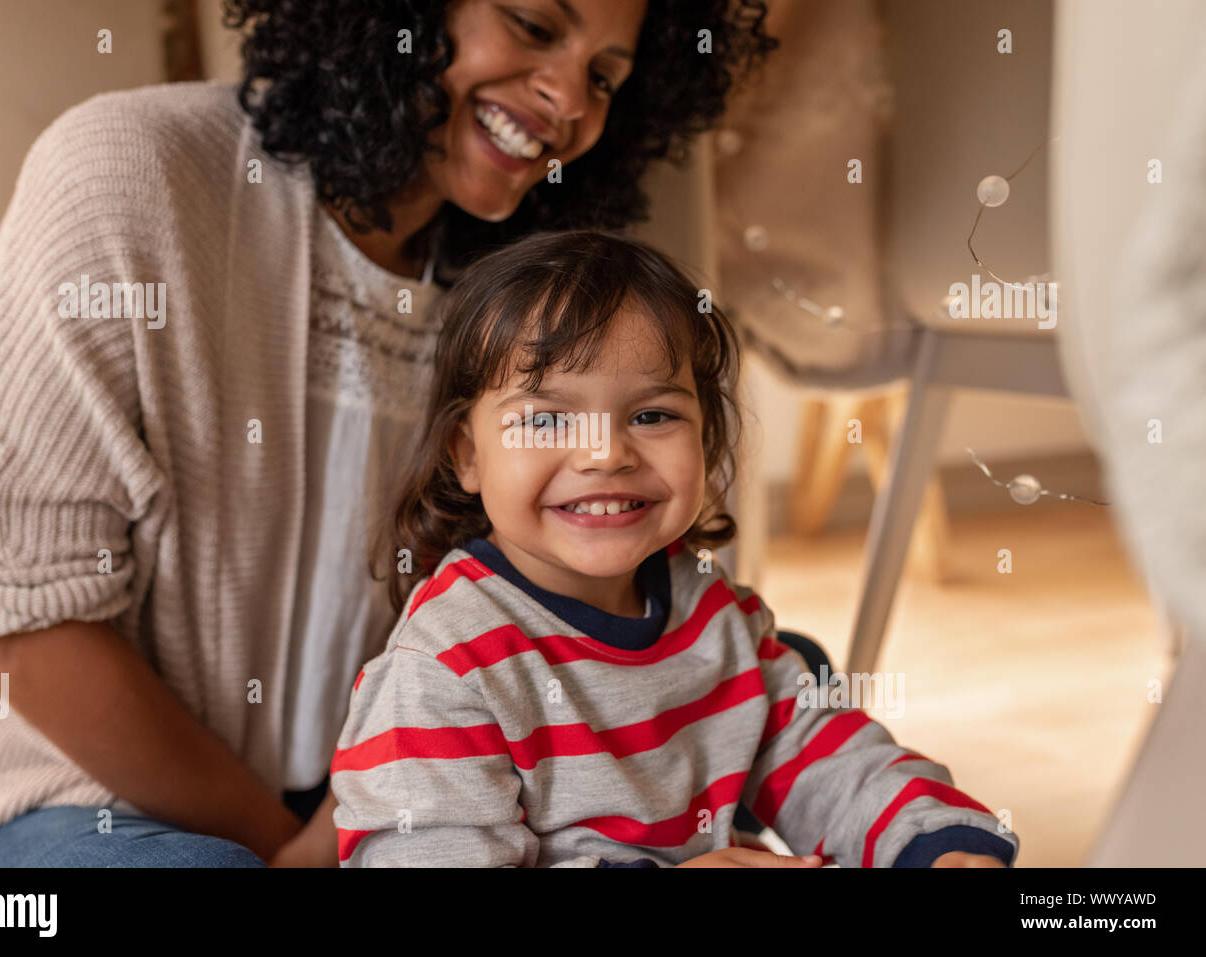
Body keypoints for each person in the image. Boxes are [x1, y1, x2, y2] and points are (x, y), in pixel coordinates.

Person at [0, 0, 778, 868]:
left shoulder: (544, 280)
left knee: (770, 669)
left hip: (431, 776)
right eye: (532, 24)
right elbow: (26, 631)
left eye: (604, 77)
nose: (567, 101)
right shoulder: (125, 169)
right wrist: (295, 854)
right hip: (88, 800)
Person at [324, 229, 1020, 867]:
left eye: (652, 414)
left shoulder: (713, 611)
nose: (605, 453)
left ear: (707, 436)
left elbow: (823, 756)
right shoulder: (438, 674)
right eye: (545, 418)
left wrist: (932, 840)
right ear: (467, 455)